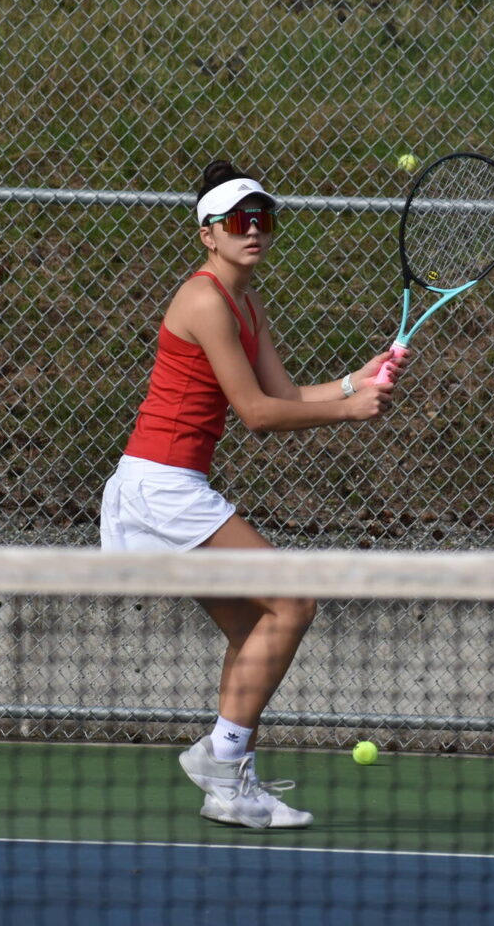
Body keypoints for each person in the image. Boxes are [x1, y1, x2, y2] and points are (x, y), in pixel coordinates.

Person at [99, 160, 407, 829]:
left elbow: (289, 395)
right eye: (239, 220)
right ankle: (221, 755)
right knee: (292, 600)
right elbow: (258, 416)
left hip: (173, 485)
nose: (255, 230)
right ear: (207, 233)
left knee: (251, 627)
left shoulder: (246, 302)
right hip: (160, 486)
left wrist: (356, 381)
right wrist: (349, 412)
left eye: (264, 218)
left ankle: (228, 786)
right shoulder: (206, 300)